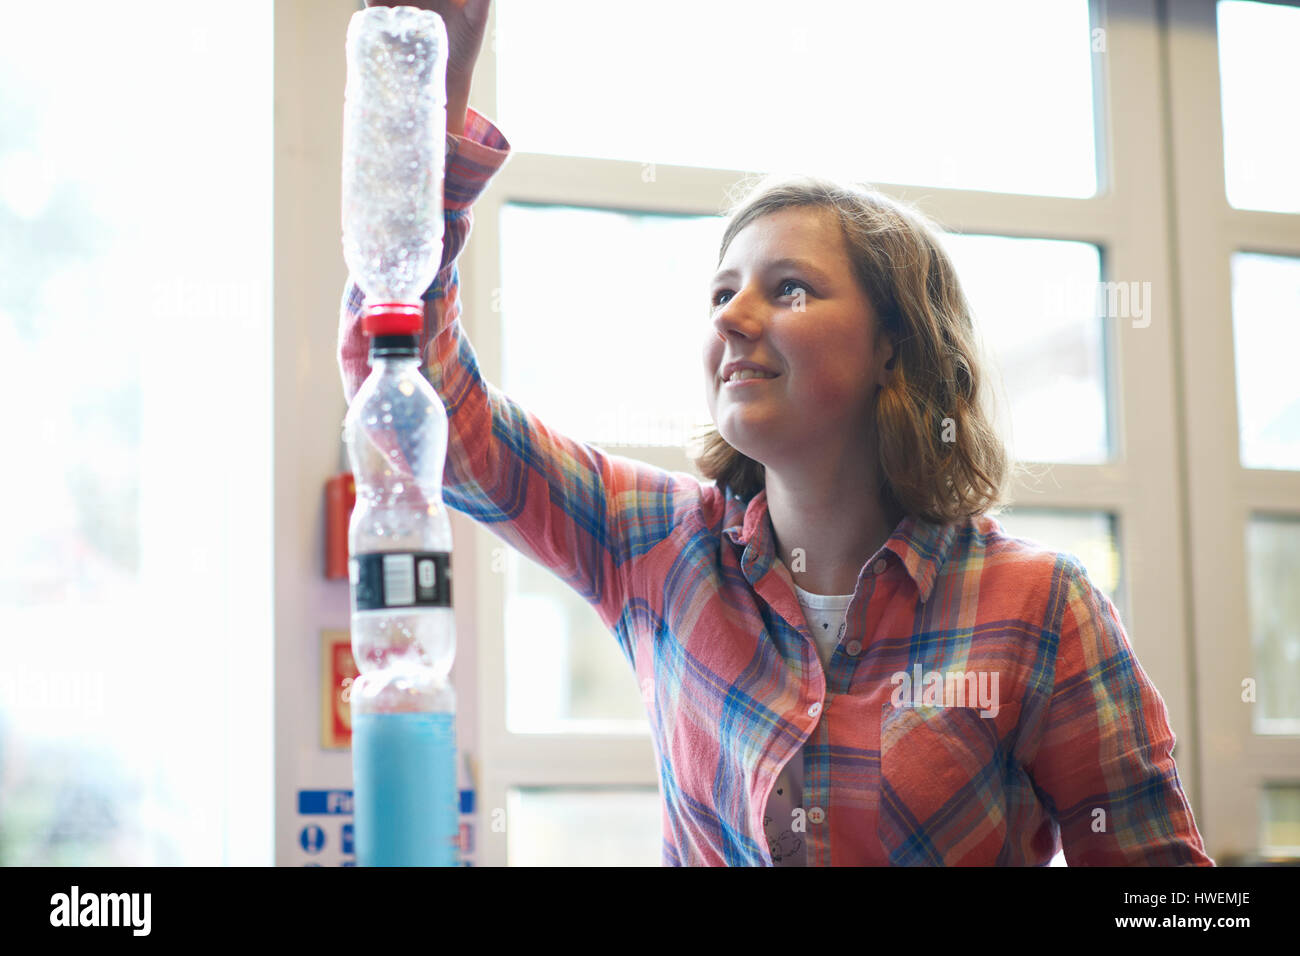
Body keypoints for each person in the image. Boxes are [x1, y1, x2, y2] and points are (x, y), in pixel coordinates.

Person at [342, 0, 1213, 866]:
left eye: (788, 288)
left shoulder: (1041, 607)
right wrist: (427, 112)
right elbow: (434, 411)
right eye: (722, 293)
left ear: (893, 347)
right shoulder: (656, 543)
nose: (733, 319)